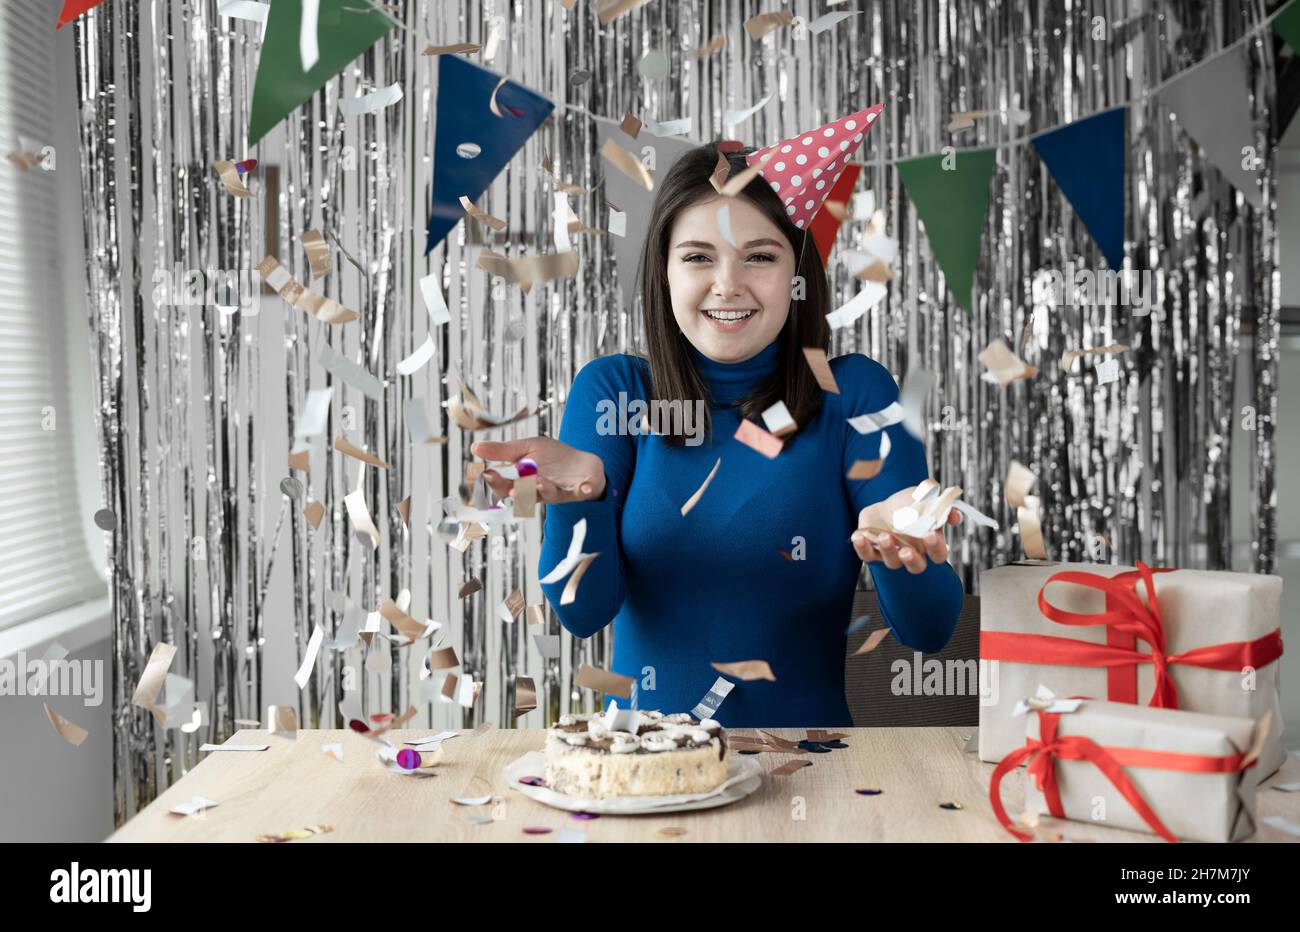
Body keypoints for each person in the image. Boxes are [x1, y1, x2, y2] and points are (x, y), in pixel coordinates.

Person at [472, 108, 964, 727]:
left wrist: (905, 545)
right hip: (644, 776)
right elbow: (582, 614)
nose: (728, 284)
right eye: (699, 257)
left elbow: (930, 630)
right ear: (665, 272)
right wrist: (582, 500)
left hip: (813, 778)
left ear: (797, 274)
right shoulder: (616, 392)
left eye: (759, 256)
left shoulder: (851, 392)